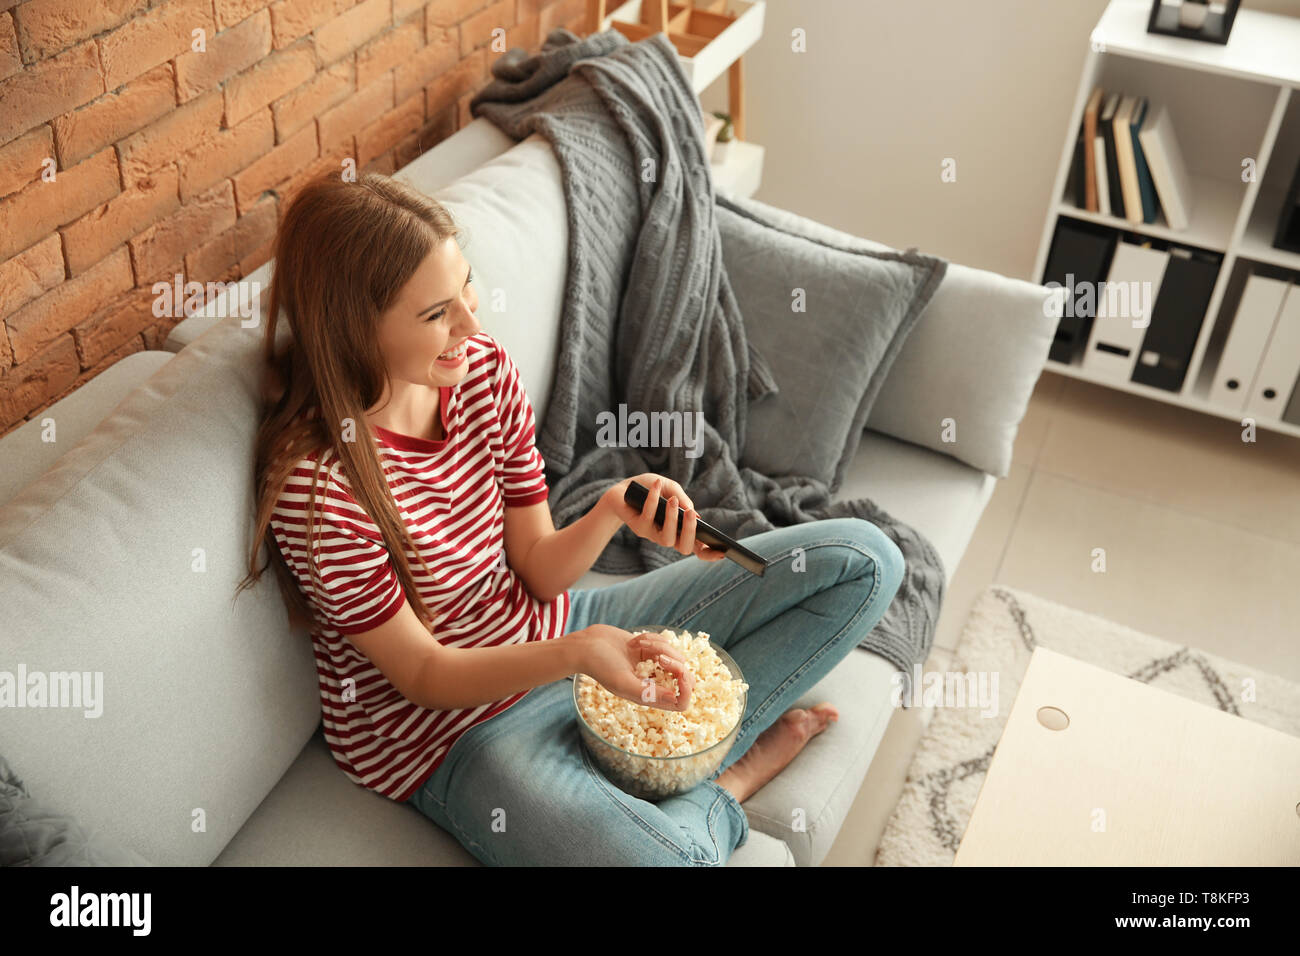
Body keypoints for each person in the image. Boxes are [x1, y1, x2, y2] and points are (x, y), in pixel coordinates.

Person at [237, 171, 906, 866]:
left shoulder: (482, 371)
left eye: (465, 286)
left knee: (863, 561)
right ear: (352, 327)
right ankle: (720, 787)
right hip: (452, 730)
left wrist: (612, 508)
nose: (471, 322)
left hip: (556, 628)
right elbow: (424, 676)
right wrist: (580, 656)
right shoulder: (319, 490)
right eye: (436, 314)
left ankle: (666, 765)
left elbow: (539, 572)